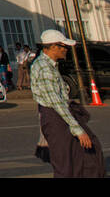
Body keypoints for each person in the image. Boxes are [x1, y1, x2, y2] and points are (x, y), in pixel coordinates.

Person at [30, 29, 104, 177]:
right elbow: (56, 103)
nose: (66, 50)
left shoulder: (48, 64)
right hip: (56, 118)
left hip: (57, 117)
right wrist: (78, 130)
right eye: (63, 46)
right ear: (53, 47)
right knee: (65, 165)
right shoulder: (45, 68)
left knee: (77, 158)